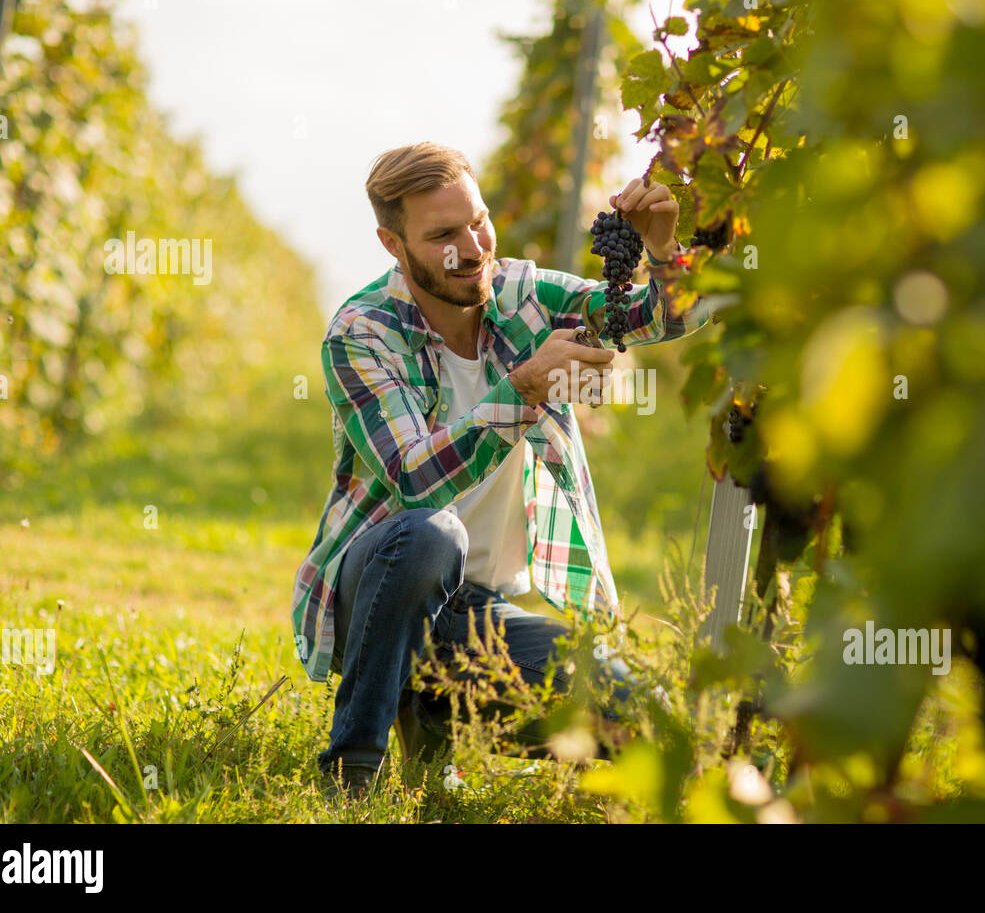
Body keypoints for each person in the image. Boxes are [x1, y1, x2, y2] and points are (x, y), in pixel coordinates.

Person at [290, 141, 710, 795]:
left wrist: (661, 251)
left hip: (479, 615)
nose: (473, 247)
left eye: (478, 220)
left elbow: (653, 319)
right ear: (392, 244)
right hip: (376, 597)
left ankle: (436, 728)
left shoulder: (519, 293)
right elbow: (415, 480)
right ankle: (352, 773)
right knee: (433, 534)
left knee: (644, 713)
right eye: (442, 235)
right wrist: (526, 386)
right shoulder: (361, 332)